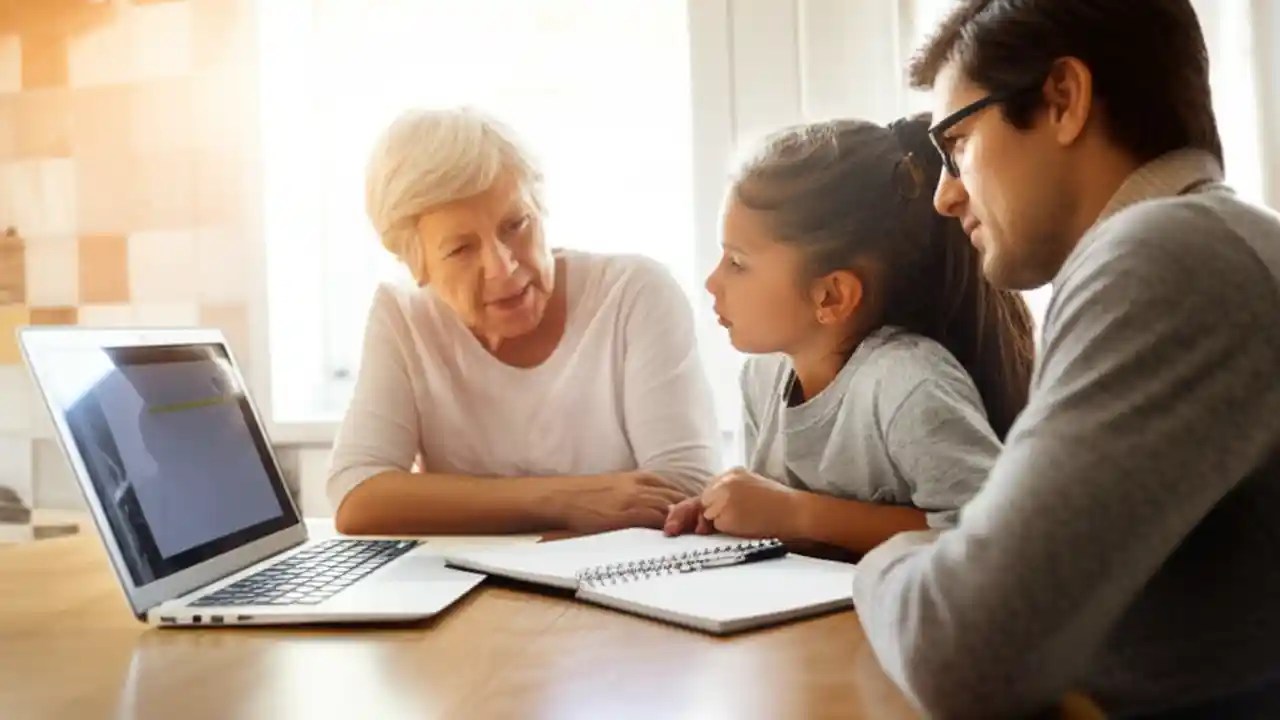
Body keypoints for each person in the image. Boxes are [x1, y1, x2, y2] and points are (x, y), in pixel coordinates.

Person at [852, 1, 1280, 717]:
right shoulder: (1212, 245)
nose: (945, 194)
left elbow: (962, 653)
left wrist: (884, 561)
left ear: (1062, 100)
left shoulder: (1167, 256)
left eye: (956, 144)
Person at [327, 108, 719, 536]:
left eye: (516, 224)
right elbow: (357, 496)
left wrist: (453, 503)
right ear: (416, 265)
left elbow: (686, 491)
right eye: (461, 249)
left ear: (541, 208)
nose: (503, 266)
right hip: (476, 586)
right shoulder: (403, 316)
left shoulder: (634, 292)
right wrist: (562, 501)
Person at [663, 116, 1035, 555]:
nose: (711, 282)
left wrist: (797, 513)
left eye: (738, 264)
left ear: (831, 296)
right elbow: (775, 518)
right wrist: (720, 512)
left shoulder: (908, 383)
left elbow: (993, 535)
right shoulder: (760, 379)